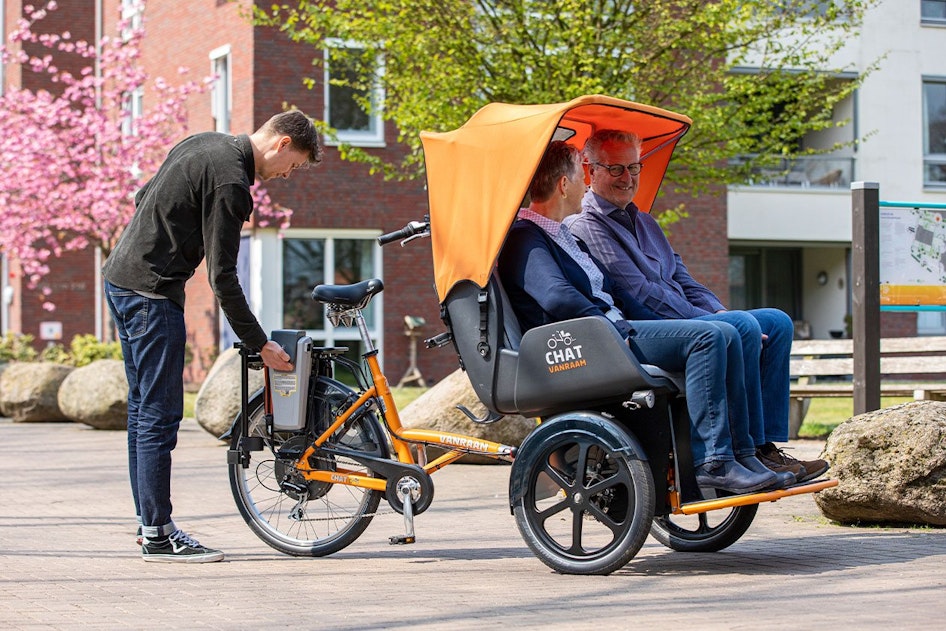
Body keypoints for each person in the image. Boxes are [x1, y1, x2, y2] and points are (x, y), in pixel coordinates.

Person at [498, 141, 793, 495]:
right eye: (582, 175)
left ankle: (743, 454)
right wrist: (609, 328)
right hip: (587, 342)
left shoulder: (560, 234)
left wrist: (690, 319)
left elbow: (613, 293)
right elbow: (557, 296)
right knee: (709, 337)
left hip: (611, 329)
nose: (586, 183)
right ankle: (713, 462)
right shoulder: (525, 238)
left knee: (719, 331)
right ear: (564, 184)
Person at [103, 110, 323, 563]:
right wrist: (259, 342)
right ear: (282, 144)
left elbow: (146, 195)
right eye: (295, 164)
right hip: (151, 295)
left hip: (120, 280)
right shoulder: (232, 182)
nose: (288, 175)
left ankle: (151, 527)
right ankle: (159, 536)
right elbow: (223, 276)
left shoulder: (205, 143)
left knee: (144, 412)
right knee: (160, 417)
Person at [567, 129, 828, 483]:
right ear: (589, 170)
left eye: (634, 167)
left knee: (777, 322)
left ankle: (765, 447)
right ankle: (741, 449)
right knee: (742, 326)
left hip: (688, 319)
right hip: (645, 328)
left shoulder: (645, 222)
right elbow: (639, 294)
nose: (628, 178)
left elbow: (684, 279)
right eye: (616, 169)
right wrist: (715, 322)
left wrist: (718, 312)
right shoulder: (586, 226)